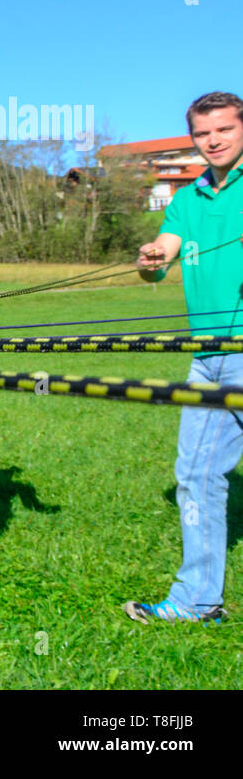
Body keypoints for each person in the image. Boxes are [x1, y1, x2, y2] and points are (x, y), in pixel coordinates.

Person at [125, 91, 243, 624]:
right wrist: (150, 259)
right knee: (194, 476)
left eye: (225, 129)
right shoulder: (188, 199)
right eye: (202, 133)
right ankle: (198, 600)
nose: (213, 140)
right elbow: (162, 255)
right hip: (208, 359)